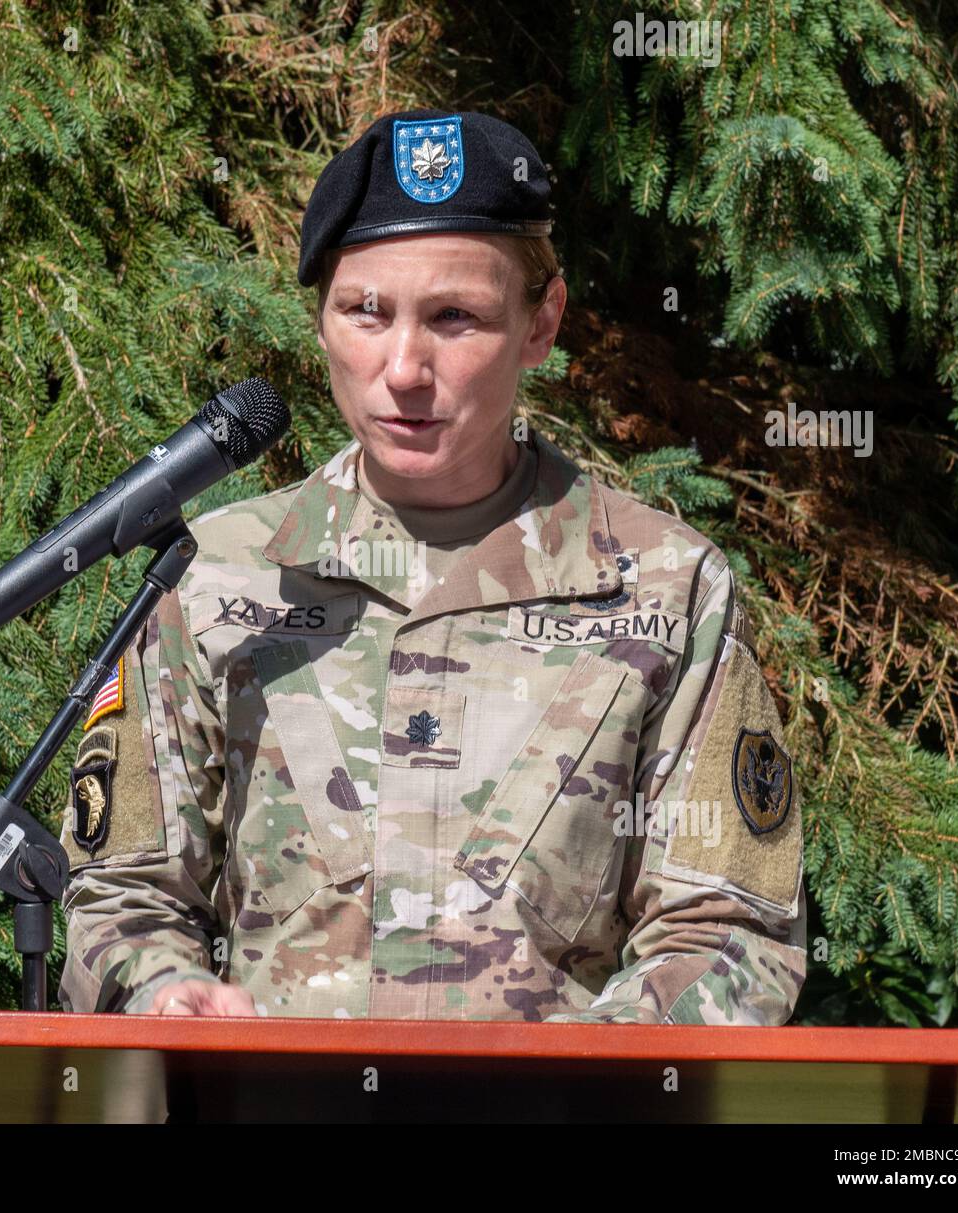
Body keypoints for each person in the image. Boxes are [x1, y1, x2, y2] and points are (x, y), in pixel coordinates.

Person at [56, 108, 806, 1024]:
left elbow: (727, 937)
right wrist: (164, 991)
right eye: (365, 310)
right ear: (323, 320)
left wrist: (562, 1089)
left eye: (456, 317)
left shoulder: (661, 588)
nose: (403, 367)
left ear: (542, 325)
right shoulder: (218, 578)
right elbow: (122, 897)